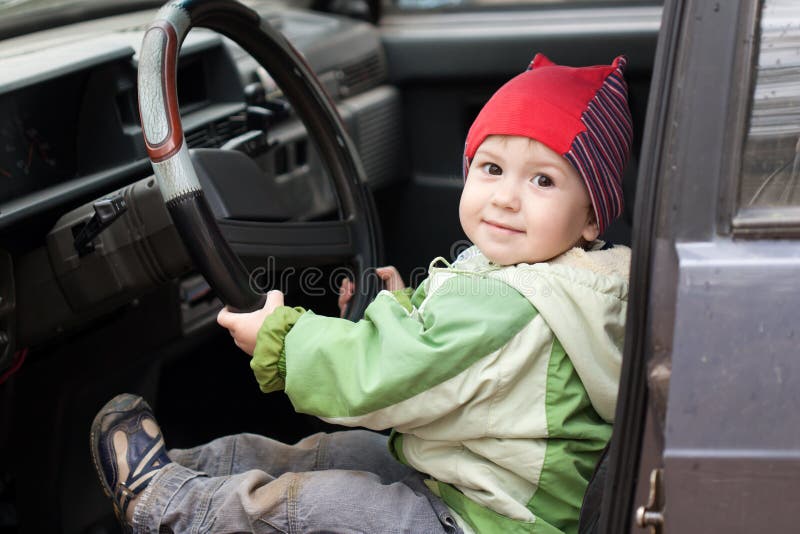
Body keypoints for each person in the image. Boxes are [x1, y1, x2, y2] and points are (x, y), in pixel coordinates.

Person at [91, 53, 633, 534]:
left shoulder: (514, 305)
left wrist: (280, 340)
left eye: (543, 180)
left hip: (489, 519)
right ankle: (181, 470)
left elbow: (382, 375)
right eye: (492, 168)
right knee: (332, 453)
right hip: (469, 472)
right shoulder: (565, 277)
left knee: (315, 500)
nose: (507, 198)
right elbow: (454, 367)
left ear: (591, 216)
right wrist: (405, 307)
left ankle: (163, 506)